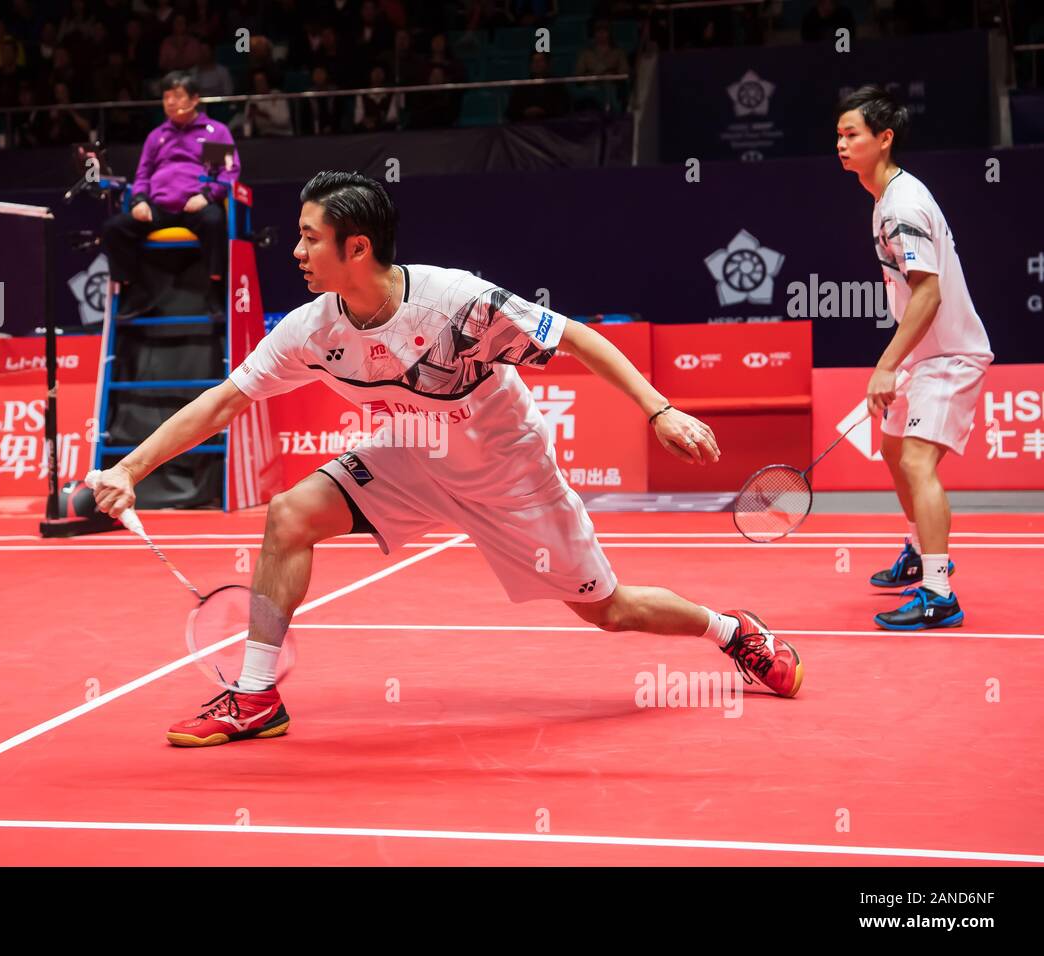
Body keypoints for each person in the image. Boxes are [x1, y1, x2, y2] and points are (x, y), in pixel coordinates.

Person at [90, 171, 804, 746]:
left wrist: (659, 408)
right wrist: (130, 469)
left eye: (311, 239)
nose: (298, 252)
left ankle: (733, 631)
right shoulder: (311, 330)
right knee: (289, 515)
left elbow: (579, 338)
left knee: (609, 612)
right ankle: (255, 696)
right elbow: (222, 401)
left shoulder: (457, 303)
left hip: (506, 472)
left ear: (357, 247)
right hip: (408, 457)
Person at [836, 86, 994, 629]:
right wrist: (899, 364)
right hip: (924, 355)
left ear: (884, 140)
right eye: (838, 134)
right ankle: (918, 548)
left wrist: (885, 364)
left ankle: (938, 592)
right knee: (891, 448)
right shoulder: (884, 198)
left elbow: (928, 292)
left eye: (851, 134)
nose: (841, 143)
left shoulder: (902, 204)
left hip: (949, 354)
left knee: (916, 462)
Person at [100, 71, 241, 318]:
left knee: (214, 220)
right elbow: (143, 175)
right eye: (166, 97)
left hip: (195, 206)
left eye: (177, 96)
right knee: (114, 228)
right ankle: (136, 292)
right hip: (159, 208)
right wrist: (140, 200)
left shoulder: (212, 131)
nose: (170, 102)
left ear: (195, 99)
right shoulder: (157, 136)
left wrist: (207, 196)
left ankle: (215, 292)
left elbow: (227, 174)